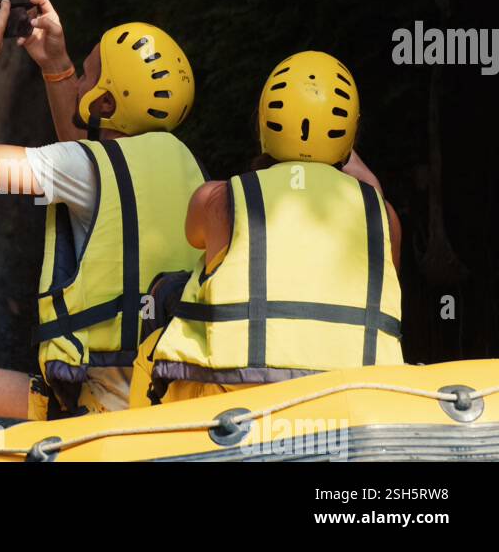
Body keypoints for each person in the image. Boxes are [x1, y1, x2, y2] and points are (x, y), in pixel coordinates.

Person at [0, 0, 206, 419]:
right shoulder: (186, 166)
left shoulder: (89, 168)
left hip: (102, 402)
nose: (78, 85)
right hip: (165, 393)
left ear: (105, 103)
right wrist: (56, 66)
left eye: (86, 76)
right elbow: (85, 159)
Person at [134, 50, 404, 406]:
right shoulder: (383, 217)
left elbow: (193, 235)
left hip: (235, 388)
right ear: (350, 136)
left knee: (165, 291)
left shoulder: (219, 199)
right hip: (353, 395)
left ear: (263, 122)